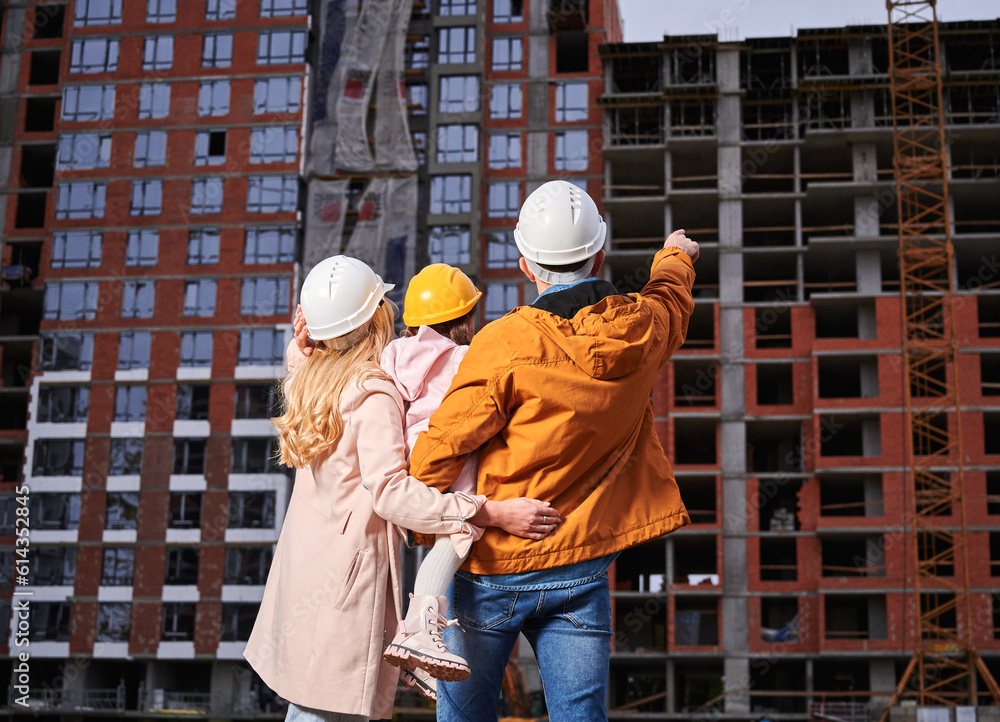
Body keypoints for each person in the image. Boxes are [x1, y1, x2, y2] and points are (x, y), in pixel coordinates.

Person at [406, 180, 700, 721]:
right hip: (582, 567)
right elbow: (671, 299)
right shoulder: (643, 329)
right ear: (600, 254)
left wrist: (426, 518)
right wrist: (676, 255)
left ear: (525, 264)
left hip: (493, 567)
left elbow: (441, 449)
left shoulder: (505, 343)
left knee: (464, 716)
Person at [243, 256, 557, 722]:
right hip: (345, 586)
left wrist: (303, 342)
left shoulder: (311, 376)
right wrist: (487, 513)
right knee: (325, 710)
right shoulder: (373, 393)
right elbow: (391, 493)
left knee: (307, 702)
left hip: (305, 574)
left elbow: (301, 360)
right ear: (379, 315)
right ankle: (416, 638)